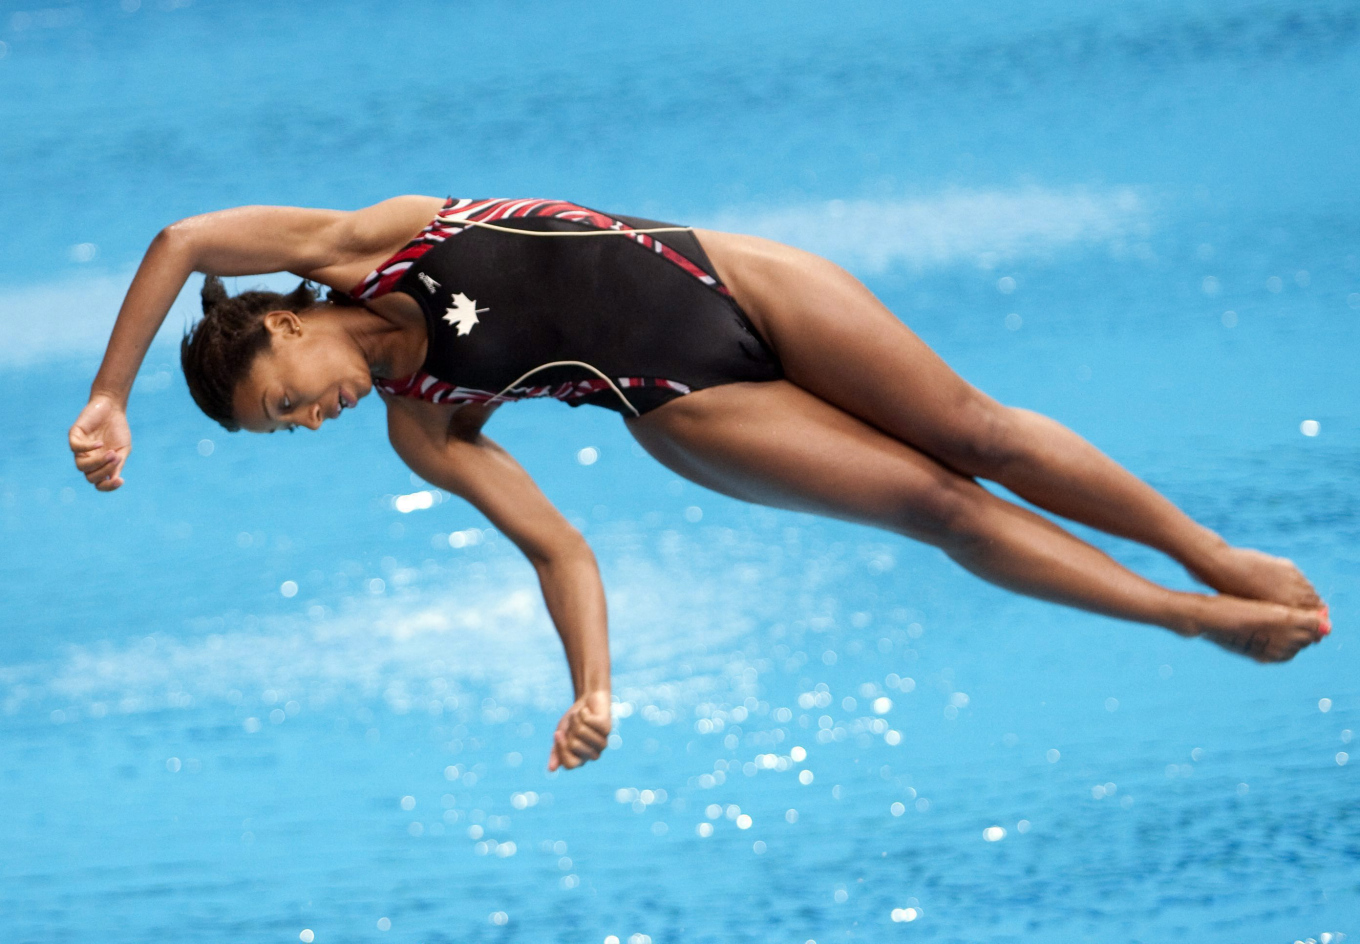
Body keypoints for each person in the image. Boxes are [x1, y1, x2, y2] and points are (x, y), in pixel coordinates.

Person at [68, 196, 1330, 771]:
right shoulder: (426, 429)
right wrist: (595, 687)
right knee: (940, 506)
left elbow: (182, 242)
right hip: (689, 407)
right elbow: (560, 550)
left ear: (288, 329)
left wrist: (112, 392)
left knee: (978, 430)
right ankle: (1192, 616)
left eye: (286, 400)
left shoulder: (363, 242)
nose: (312, 416)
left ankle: (1209, 554)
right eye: (289, 432)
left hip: (724, 275)